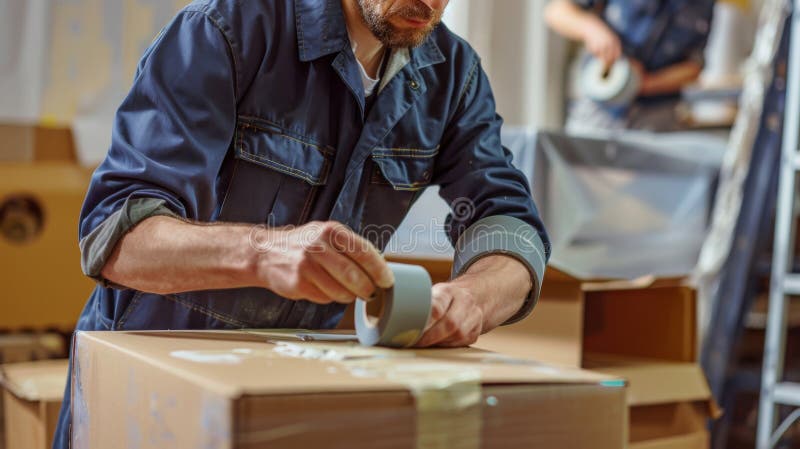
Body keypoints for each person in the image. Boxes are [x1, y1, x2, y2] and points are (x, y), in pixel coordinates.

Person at [53, 0, 551, 447]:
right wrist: (263, 253)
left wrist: (475, 299)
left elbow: (507, 218)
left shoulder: (453, 76)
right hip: (146, 387)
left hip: (289, 394)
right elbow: (116, 234)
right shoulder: (225, 29)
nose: (429, 2)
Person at [545, 0, 715, 132]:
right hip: (599, 105)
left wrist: (643, 83)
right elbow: (557, 11)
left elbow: (694, 68)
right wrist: (591, 29)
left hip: (658, 116)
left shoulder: (705, 5)